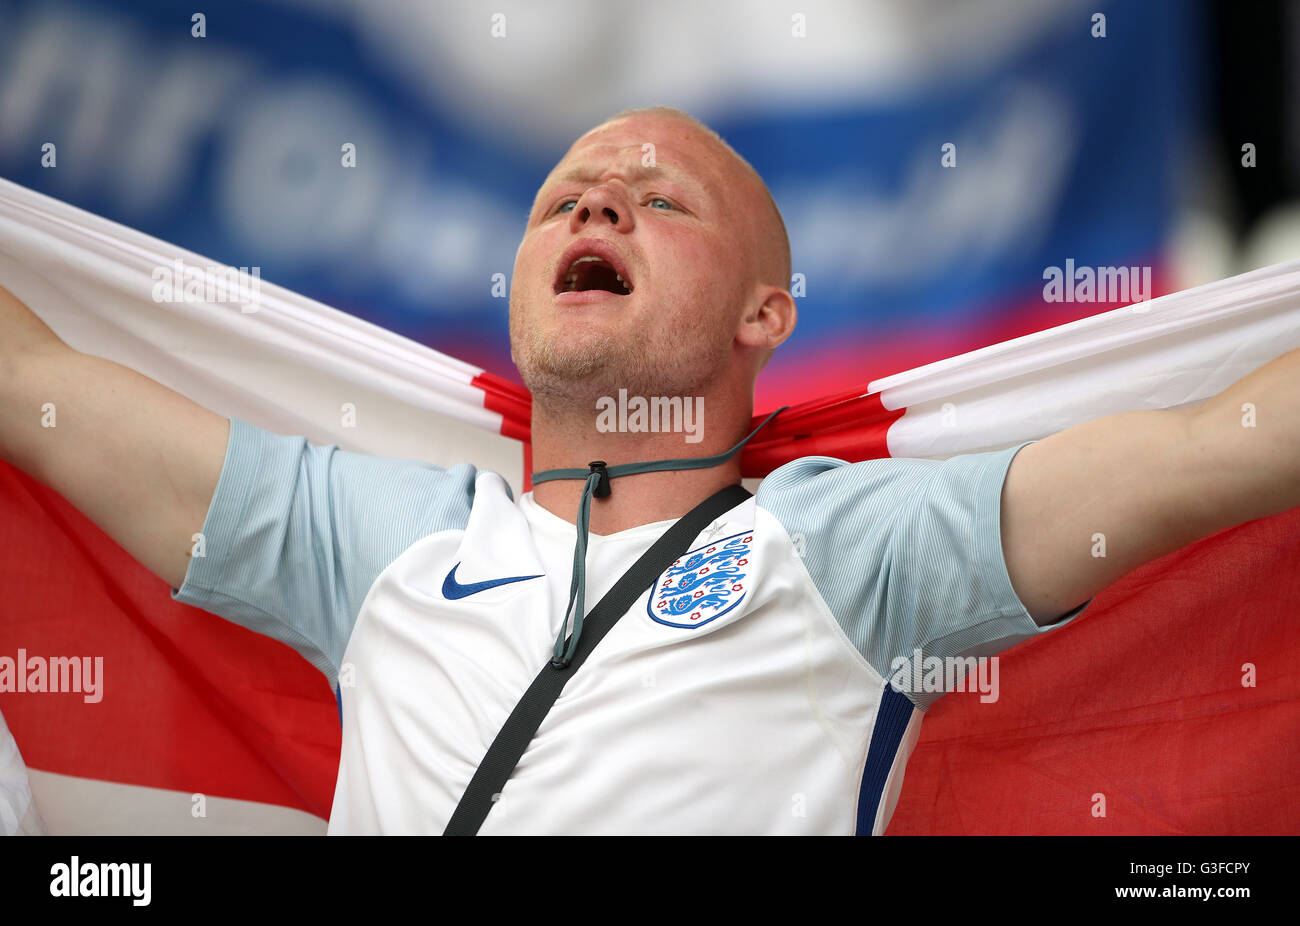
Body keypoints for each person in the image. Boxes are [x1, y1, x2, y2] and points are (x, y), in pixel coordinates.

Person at [0, 106, 1296, 835]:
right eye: (563, 196)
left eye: (661, 202)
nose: (596, 206)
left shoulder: (862, 547)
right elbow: (32, 386)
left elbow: (1212, 449)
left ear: (764, 318)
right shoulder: (377, 538)